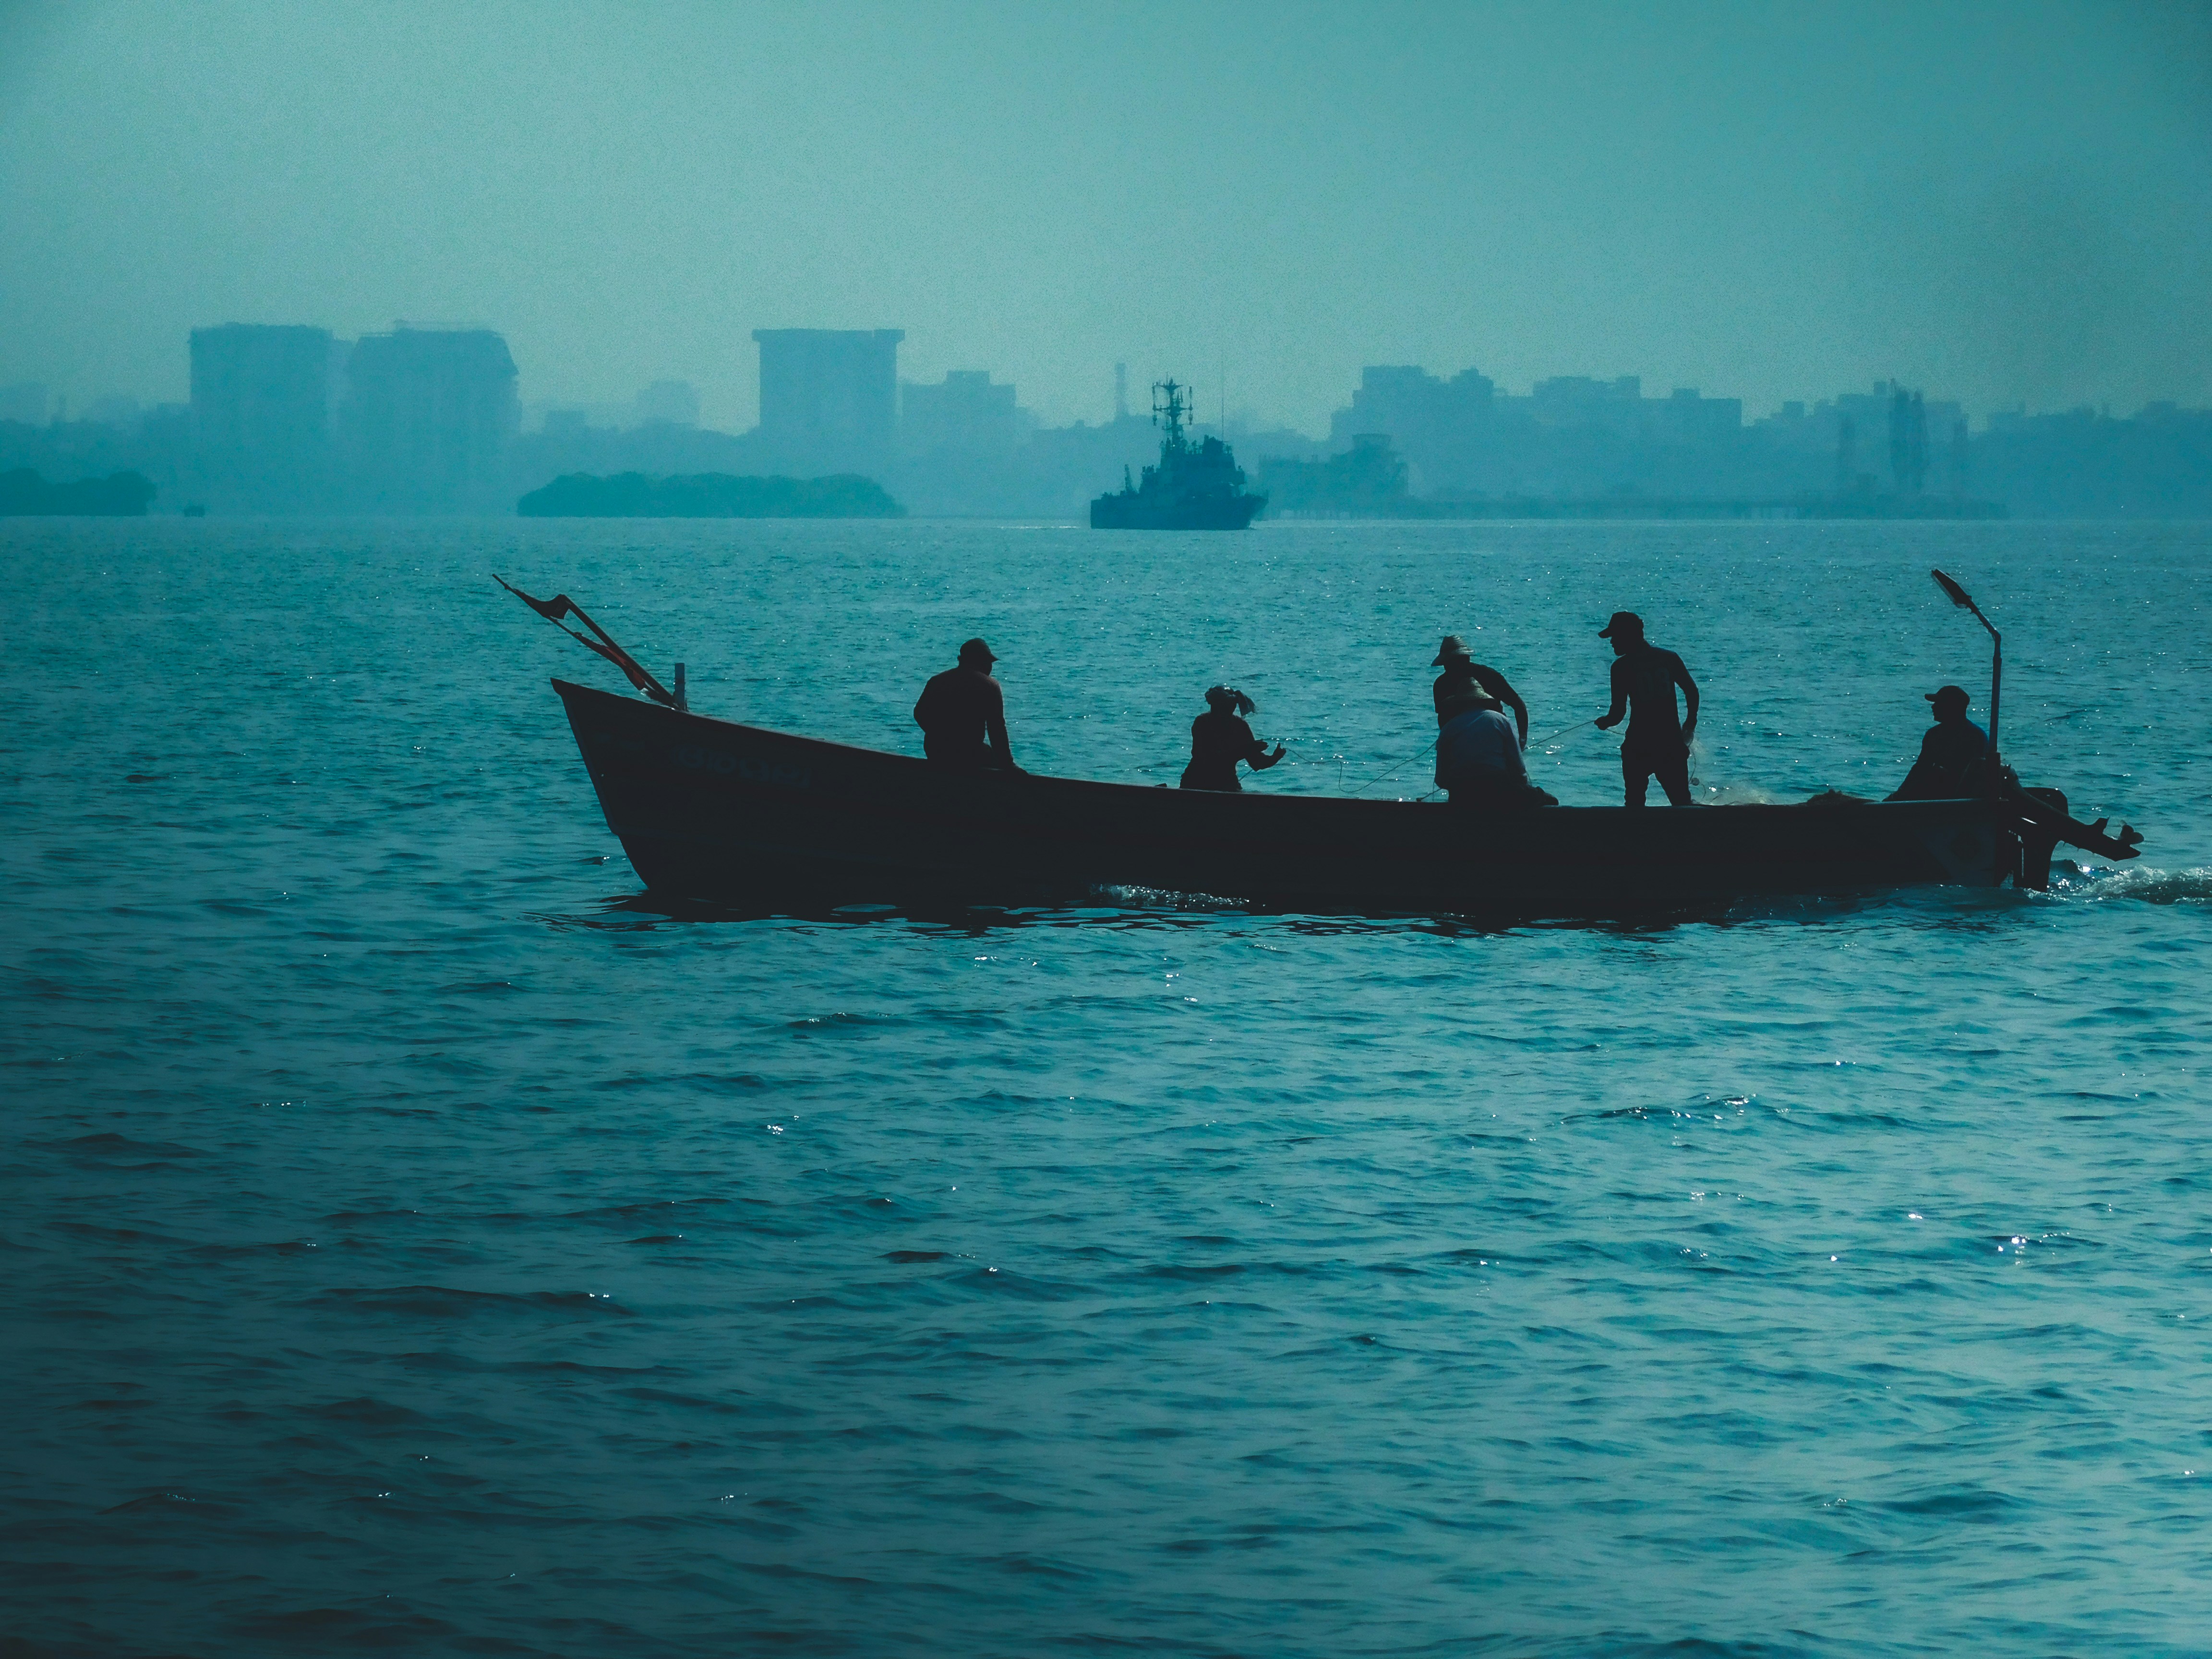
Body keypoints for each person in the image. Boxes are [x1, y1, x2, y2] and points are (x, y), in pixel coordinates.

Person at [1593, 611, 1699, 806]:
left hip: (1638, 746)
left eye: (1615, 637)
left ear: (1627, 636)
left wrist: (1604, 722)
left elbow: (1618, 715)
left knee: (1634, 803)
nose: (1612, 642)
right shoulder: (1669, 658)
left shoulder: (1621, 668)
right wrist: (1690, 722)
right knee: (1681, 802)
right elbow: (1691, 691)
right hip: (1670, 744)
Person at [1435, 685, 1556, 807]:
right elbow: (1519, 772)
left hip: (1462, 796)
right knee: (1548, 799)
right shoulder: (1500, 720)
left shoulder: (1448, 728)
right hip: (1498, 790)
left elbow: (1441, 780)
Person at [913, 637, 1020, 772]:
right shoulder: (990, 686)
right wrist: (1008, 764)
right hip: (970, 752)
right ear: (982, 661)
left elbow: (919, 713)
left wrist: (939, 734)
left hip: (936, 749)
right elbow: (997, 729)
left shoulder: (937, 681)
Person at [1887, 684, 1989, 799]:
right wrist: (1900, 794)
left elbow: (1972, 777)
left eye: (1939, 703)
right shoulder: (1934, 734)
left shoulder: (1974, 737)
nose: (1933, 707)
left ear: (1951, 707)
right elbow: (1920, 768)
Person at [1179, 686, 1286, 791]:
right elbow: (1207, 758)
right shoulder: (1203, 722)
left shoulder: (1240, 725)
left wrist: (1275, 758)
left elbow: (1257, 762)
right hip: (1197, 782)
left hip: (1228, 784)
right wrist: (1246, 750)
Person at [1431, 635, 1529, 748]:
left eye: (1454, 663)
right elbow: (1443, 718)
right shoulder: (1441, 684)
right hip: (1462, 739)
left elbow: (1518, 705)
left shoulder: (1489, 676)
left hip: (1494, 733)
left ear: (1466, 659)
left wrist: (1522, 739)